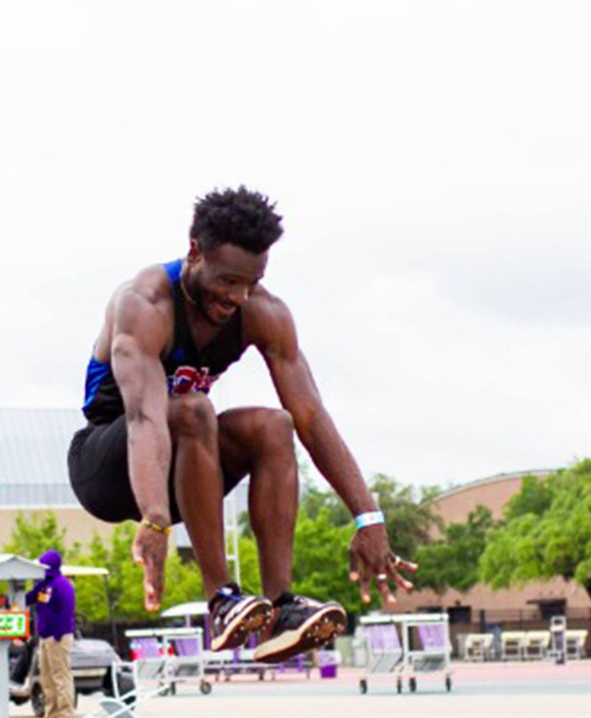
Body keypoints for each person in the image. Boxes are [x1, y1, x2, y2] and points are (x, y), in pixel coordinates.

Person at [68, 187, 416, 662]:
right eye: (228, 281)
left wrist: (367, 516)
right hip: (109, 466)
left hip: (184, 470)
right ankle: (222, 600)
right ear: (195, 251)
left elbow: (312, 417)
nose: (237, 297)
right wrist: (154, 516)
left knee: (275, 425)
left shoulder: (264, 311)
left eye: (250, 283)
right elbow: (144, 417)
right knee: (193, 409)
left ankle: (280, 608)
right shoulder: (145, 303)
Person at [24, 550, 78, 718]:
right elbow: (29, 598)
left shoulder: (63, 585)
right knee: (47, 678)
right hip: (45, 637)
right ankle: (52, 715)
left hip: (58, 637)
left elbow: (67, 611)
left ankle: (66, 716)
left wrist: (58, 634)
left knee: (60, 677)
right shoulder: (43, 585)